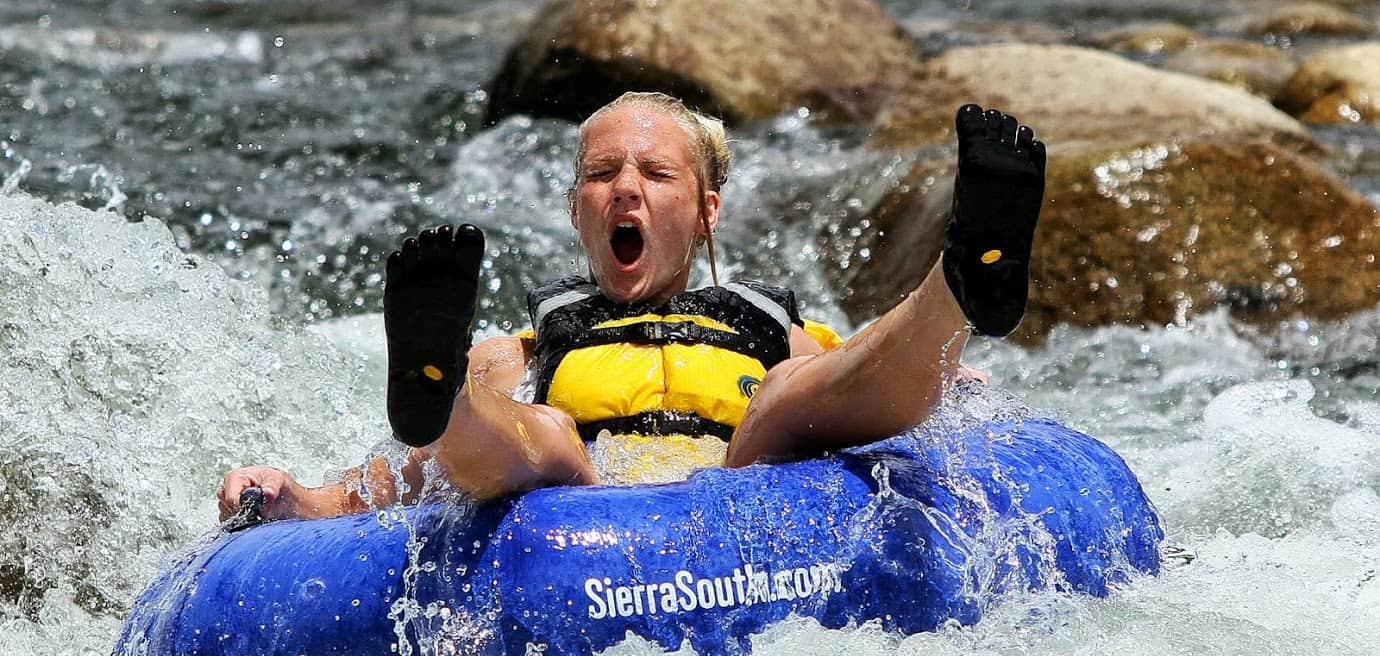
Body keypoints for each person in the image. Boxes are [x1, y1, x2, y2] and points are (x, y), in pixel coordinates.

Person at [217, 92, 1045, 522]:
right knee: (537, 430)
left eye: (655, 175)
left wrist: (938, 374)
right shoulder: (540, 337)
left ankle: (958, 288)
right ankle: (435, 391)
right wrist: (311, 500)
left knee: (791, 396)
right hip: (584, 494)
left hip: (739, 486)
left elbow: (840, 389)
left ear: (706, 210)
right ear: (578, 209)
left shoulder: (765, 320)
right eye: (602, 174)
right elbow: (416, 465)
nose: (625, 189)